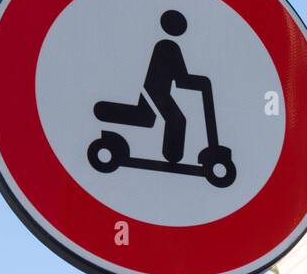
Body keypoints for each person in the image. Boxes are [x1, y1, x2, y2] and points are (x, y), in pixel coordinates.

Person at [93, 10, 217, 163]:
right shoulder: (168, 47)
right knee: (176, 120)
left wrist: (201, 82)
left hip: (155, 91)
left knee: (145, 117)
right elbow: (181, 79)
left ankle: (105, 111)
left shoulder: (167, 45)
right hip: (156, 92)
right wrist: (202, 83)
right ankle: (173, 158)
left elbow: (180, 78)